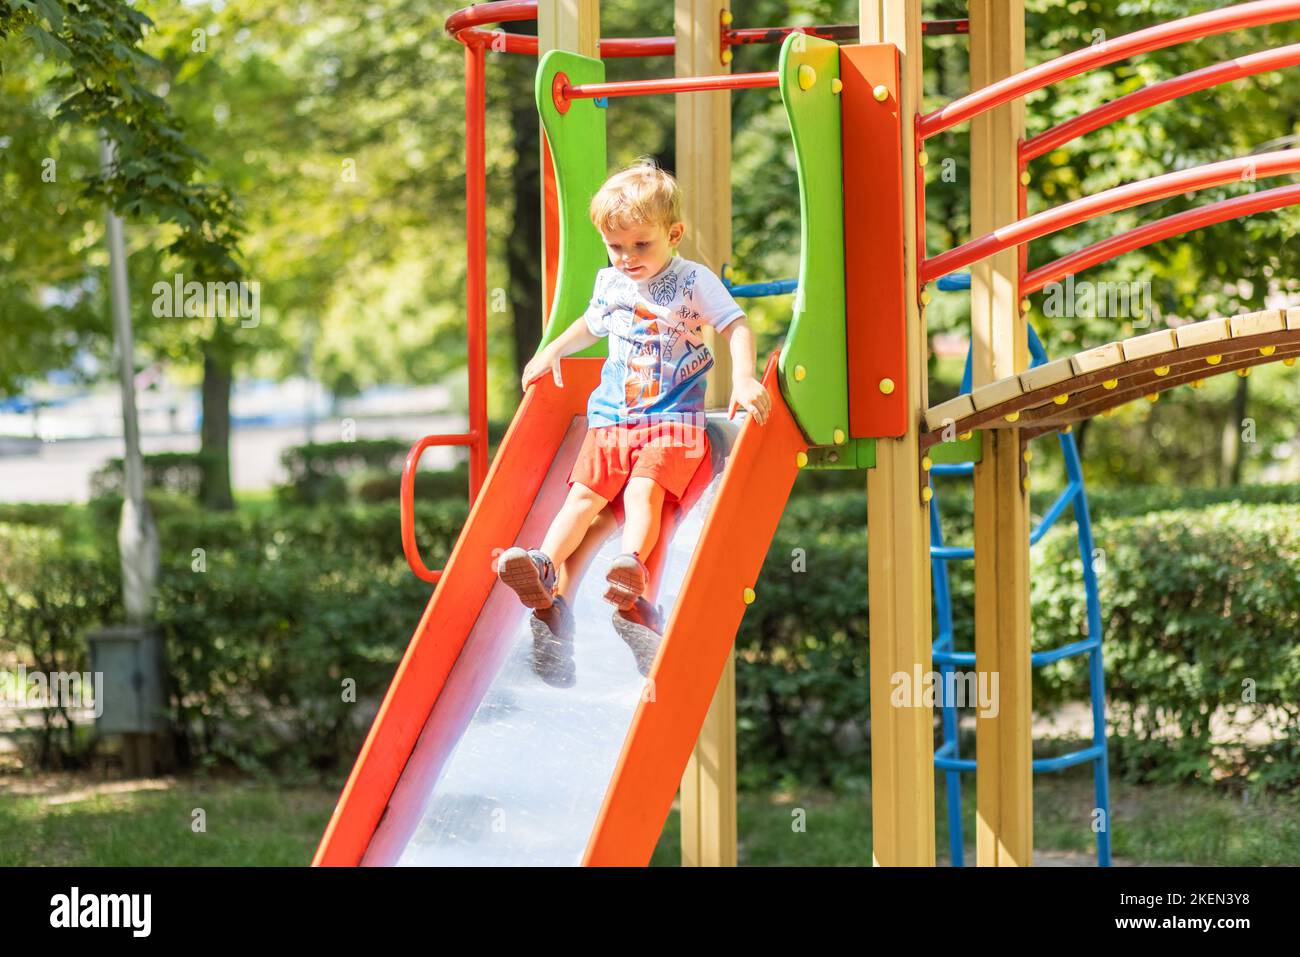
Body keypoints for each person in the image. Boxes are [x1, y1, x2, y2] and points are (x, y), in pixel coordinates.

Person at [497, 159, 771, 679]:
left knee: (644, 493)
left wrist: (744, 379)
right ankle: (543, 565)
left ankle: (631, 567)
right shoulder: (612, 283)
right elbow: (589, 324)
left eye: (640, 245)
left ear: (673, 234)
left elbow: (735, 325)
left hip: (672, 420)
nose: (626, 258)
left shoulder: (693, 280)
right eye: (615, 246)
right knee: (581, 498)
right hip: (610, 417)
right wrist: (551, 350)